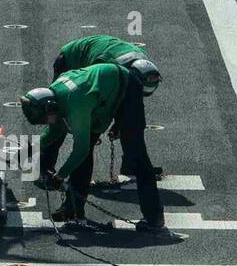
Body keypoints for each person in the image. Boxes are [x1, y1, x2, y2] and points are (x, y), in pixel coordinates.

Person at [21, 61, 165, 232]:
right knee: (83, 154)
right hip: (100, 96)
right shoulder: (55, 94)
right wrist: (27, 150)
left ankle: (154, 218)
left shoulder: (76, 105)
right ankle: (73, 210)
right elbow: (54, 129)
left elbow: (80, 149)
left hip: (126, 88)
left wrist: (59, 177)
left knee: (136, 154)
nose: (45, 122)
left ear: (49, 107)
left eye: (44, 119)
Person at [44, 34, 163, 183]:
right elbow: (90, 97)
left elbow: (127, 105)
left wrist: (120, 124)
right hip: (69, 62)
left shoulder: (141, 65)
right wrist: (93, 129)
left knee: (133, 120)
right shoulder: (104, 67)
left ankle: (131, 164)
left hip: (103, 61)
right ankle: (44, 165)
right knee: (59, 116)